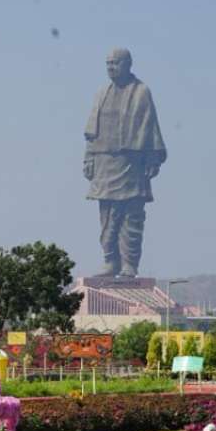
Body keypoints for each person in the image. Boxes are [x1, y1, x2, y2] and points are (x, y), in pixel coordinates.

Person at [83, 47, 167, 279]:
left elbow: (150, 126)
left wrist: (151, 157)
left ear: (128, 64)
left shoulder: (141, 92)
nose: (111, 68)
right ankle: (110, 261)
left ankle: (129, 264)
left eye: (115, 63)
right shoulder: (102, 93)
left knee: (131, 216)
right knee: (107, 216)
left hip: (131, 163)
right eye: (108, 64)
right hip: (103, 162)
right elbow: (91, 132)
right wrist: (89, 157)